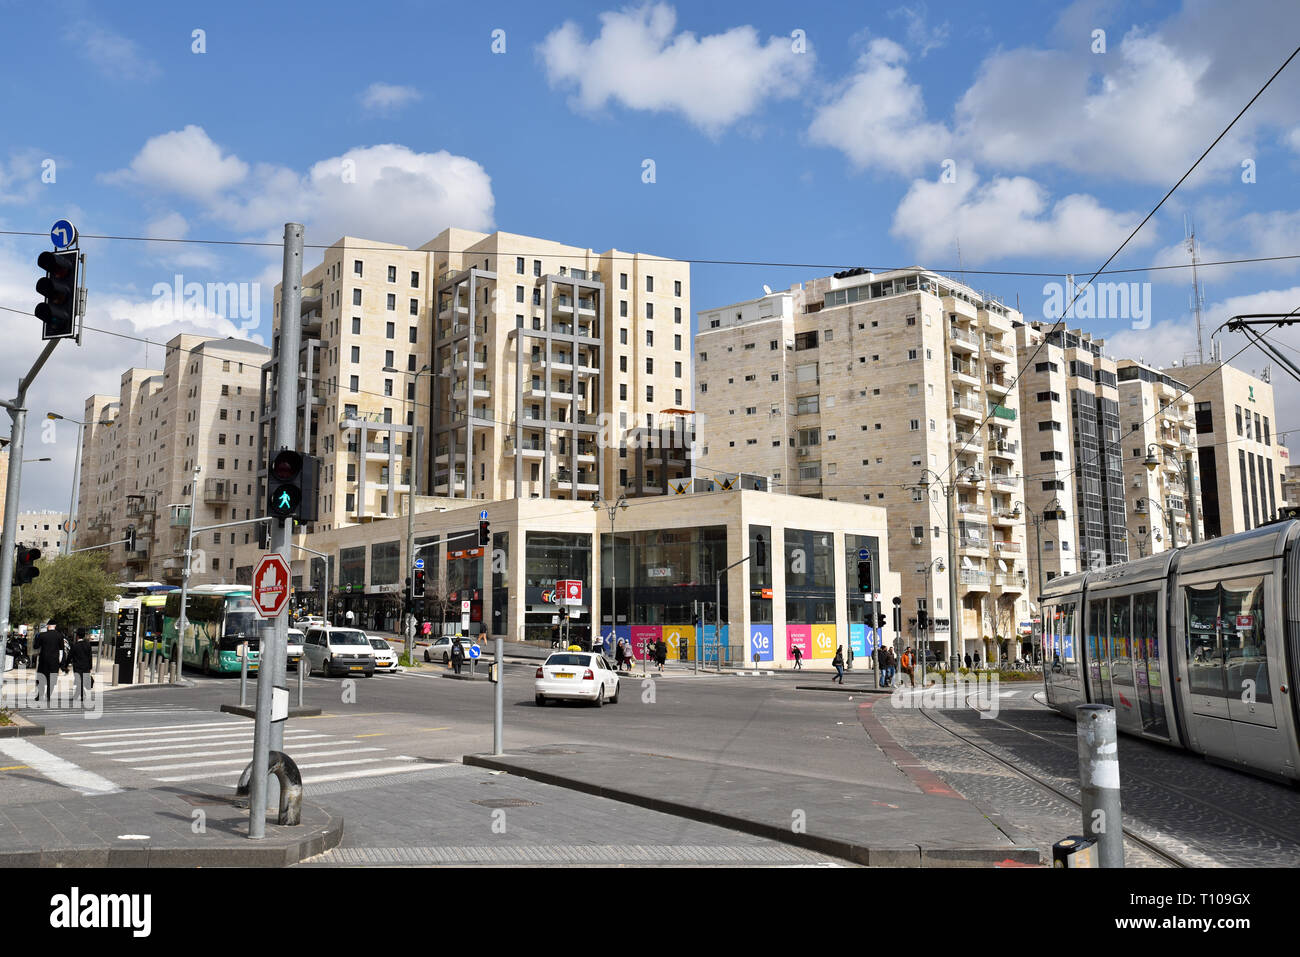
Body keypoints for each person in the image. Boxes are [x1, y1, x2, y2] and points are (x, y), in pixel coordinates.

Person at [32, 622, 66, 705]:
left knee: (41, 677)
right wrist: (60, 661)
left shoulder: (42, 635)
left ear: (48, 626)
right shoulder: (60, 635)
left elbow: (35, 646)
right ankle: (48, 696)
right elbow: (61, 650)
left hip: (43, 659)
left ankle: (39, 695)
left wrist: (36, 638)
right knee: (52, 678)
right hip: (54, 660)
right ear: (55, 626)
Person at [70, 628, 94, 703]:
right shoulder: (88, 645)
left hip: (77, 667)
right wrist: (90, 666)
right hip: (86, 666)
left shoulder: (75, 645)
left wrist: (65, 664)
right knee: (81, 681)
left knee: (79, 681)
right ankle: (76, 696)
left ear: (77, 636)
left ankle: (82, 695)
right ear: (84, 636)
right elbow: (90, 656)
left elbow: (70, 656)